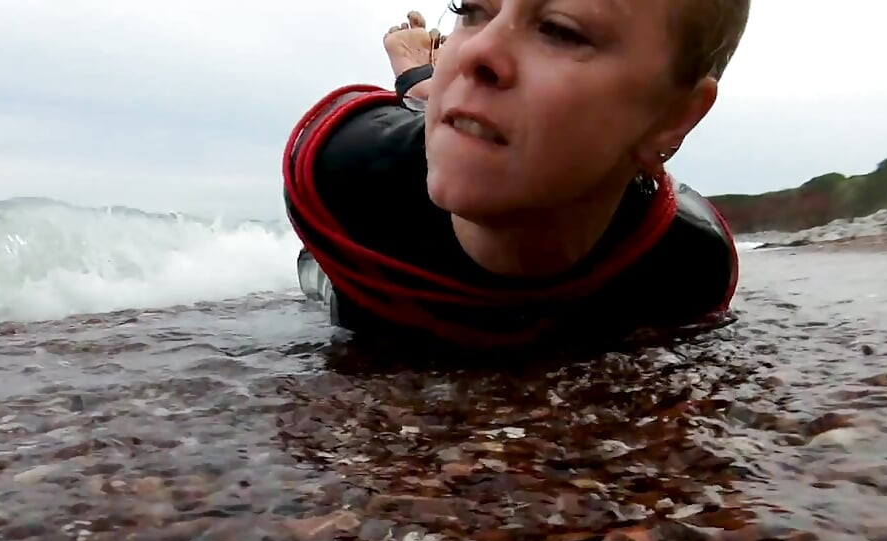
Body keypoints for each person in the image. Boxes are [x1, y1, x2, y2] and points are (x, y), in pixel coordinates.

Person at [284, 0, 750, 349]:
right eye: (470, 9)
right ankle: (418, 81)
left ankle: (424, 82)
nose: (474, 51)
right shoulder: (342, 168)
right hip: (392, 170)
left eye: (560, 30)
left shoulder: (687, 264)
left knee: (471, 113)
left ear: (673, 117)